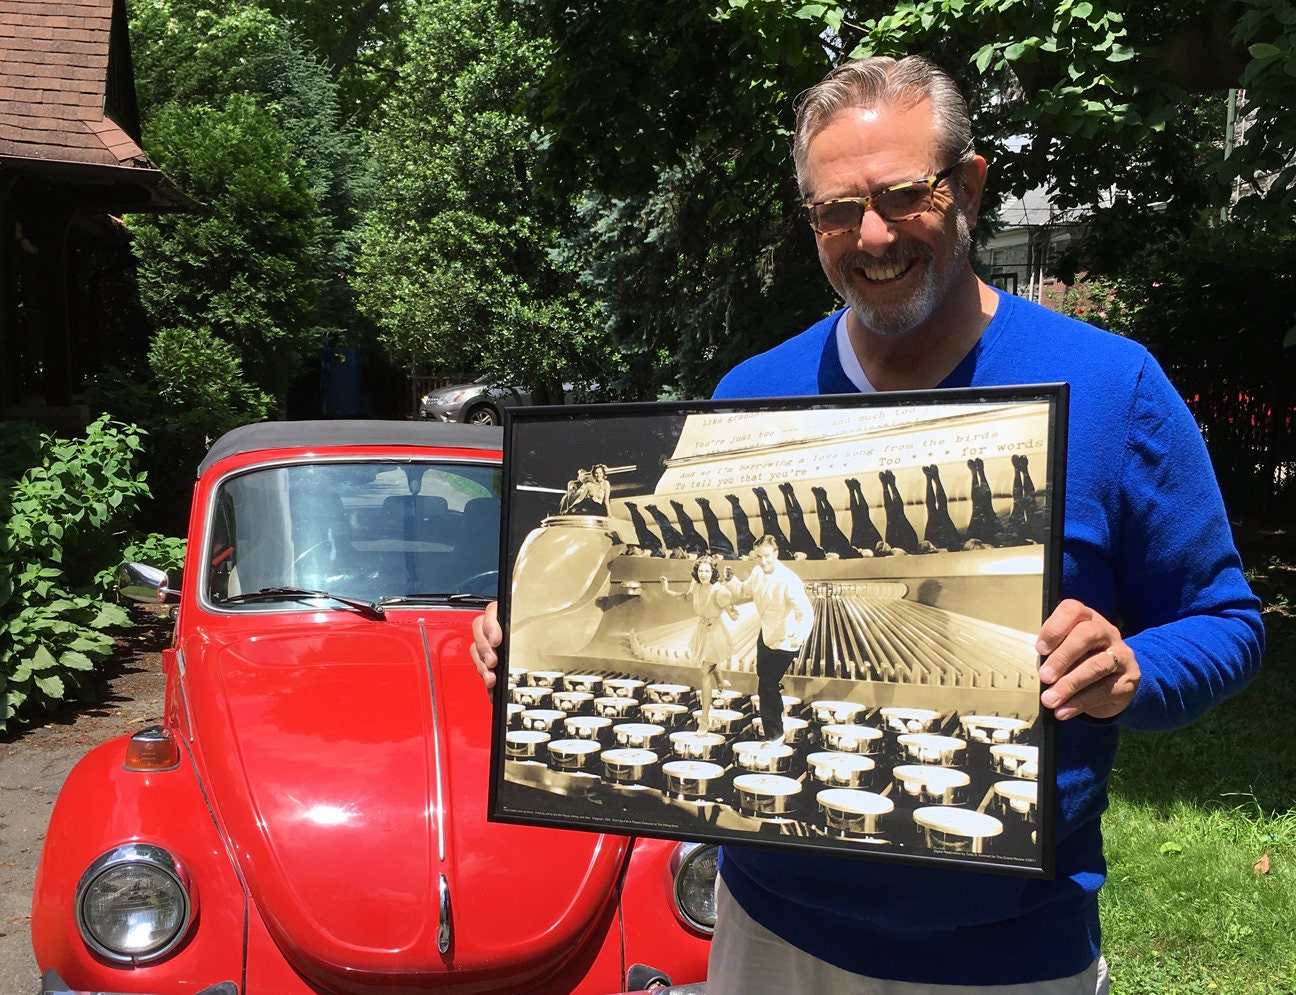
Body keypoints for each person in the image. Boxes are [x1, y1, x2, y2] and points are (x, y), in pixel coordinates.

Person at [472, 55, 1264, 993]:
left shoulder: (1112, 386)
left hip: (1004, 956)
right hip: (765, 927)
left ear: (968, 186)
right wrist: (535, 643)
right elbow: (669, 594)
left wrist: (1134, 670)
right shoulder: (750, 393)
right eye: (837, 211)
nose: (873, 235)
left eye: (903, 195)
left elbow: (1227, 619)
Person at [722, 535, 812, 743]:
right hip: (766, 634)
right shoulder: (756, 572)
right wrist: (731, 580)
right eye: (759, 557)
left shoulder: (788, 579)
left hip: (786, 638)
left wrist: (801, 632)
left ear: (776, 554)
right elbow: (744, 591)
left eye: (767, 556)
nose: (763, 561)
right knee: (765, 683)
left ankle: (775, 735)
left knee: (767, 683)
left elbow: (805, 611)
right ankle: (775, 728)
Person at [660, 554, 741, 731]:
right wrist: (667, 590)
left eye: (707, 571)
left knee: (705, 670)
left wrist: (733, 611)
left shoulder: (720, 591)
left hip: (716, 633)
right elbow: (686, 598)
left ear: (713, 572)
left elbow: (734, 616)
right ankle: (720, 682)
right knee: (708, 660)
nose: (704, 574)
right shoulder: (696, 585)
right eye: (701, 571)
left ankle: (704, 720)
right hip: (702, 630)